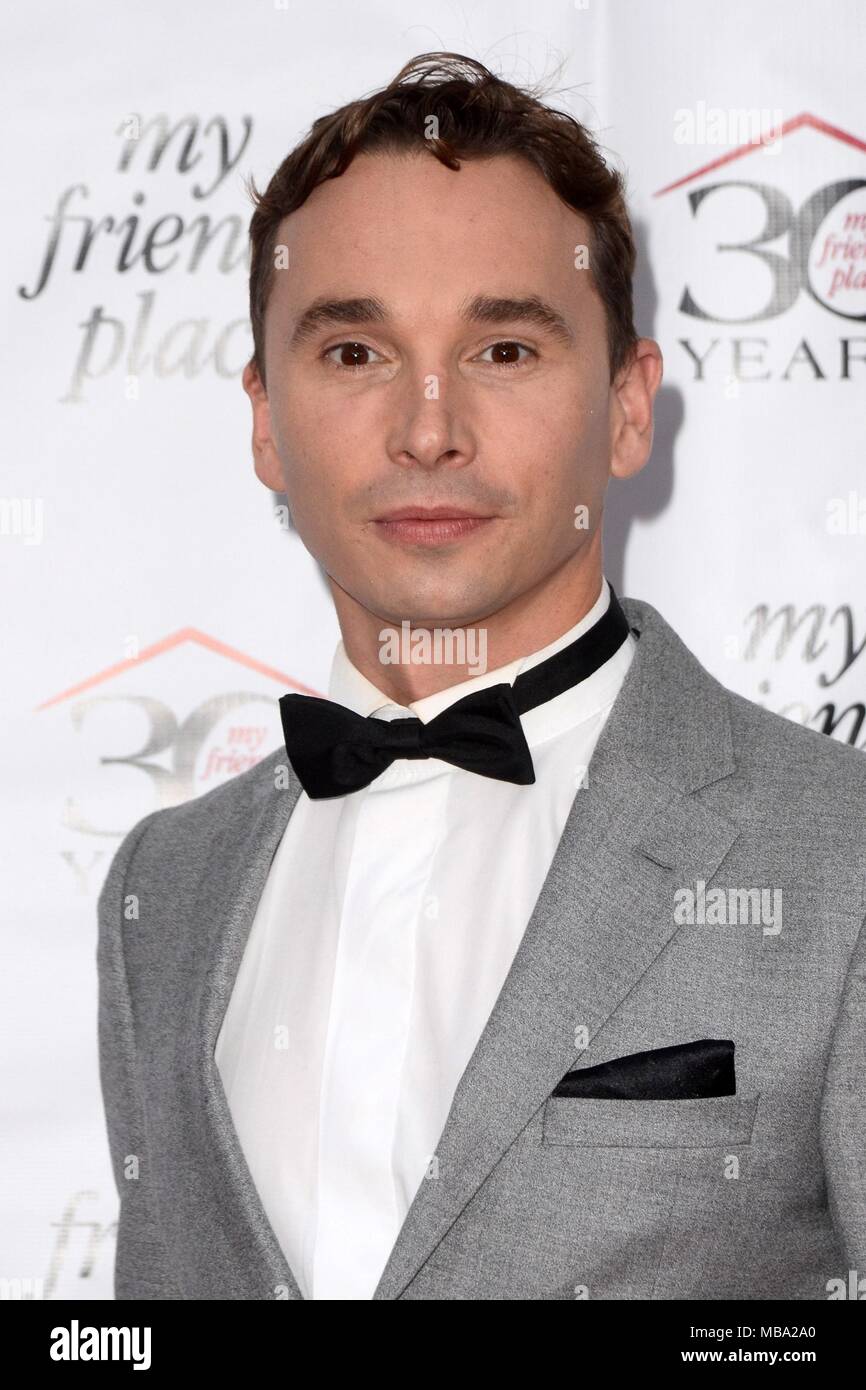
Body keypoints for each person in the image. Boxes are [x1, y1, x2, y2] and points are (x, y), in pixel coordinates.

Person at [97, 51, 866, 1301]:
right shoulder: (161, 888)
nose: (426, 428)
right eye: (354, 354)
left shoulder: (841, 854)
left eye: (503, 349)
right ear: (261, 420)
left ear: (626, 405)